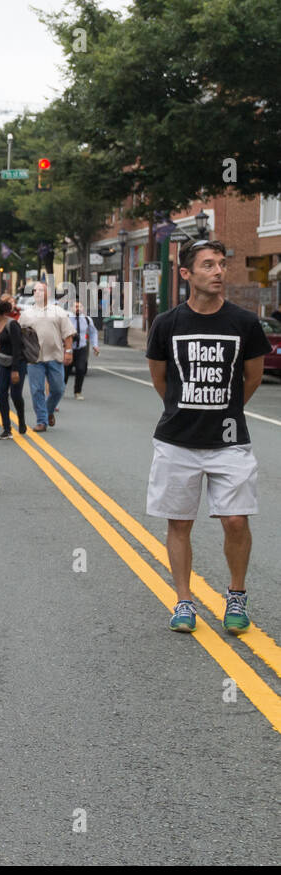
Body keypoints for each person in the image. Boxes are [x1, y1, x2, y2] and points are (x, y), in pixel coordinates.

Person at [145, 239, 268, 634]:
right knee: (180, 523)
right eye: (208, 265)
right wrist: (187, 411)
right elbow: (161, 380)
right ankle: (183, 601)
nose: (218, 272)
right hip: (176, 441)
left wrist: (225, 410)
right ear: (186, 274)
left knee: (234, 520)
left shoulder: (244, 323)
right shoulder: (166, 324)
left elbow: (252, 378)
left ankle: (236, 595)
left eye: (221, 265)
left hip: (230, 441)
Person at [18, 281, 76, 431]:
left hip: (55, 356)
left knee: (58, 389)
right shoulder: (26, 314)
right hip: (34, 358)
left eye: (41, 291)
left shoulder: (58, 312)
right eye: (35, 291)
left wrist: (68, 351)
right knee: (36, 390)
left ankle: (48, 411)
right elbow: (19, 336)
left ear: (48, 294)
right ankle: (42, 421)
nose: (37, 293)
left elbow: (68, 333)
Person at [0, 299, 26, 439]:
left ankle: (21, 420)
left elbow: (18, 348)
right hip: (1, 363)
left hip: (16, 363)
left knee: (16, 395)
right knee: (1, 394)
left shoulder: (12, 324)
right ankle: (7, 428)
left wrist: (15, 370)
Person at [65, 300, 100, 399]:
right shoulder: (66, 319)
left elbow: (93, 332)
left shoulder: (87, 319)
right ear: (71, 308)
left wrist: (95, 345)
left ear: (83, 308)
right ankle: (60, 389)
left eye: (80, 307)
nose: (78, 308)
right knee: (66, 371)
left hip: (81, 348)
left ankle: (78, 392)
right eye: (75, 306)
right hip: (69, 348)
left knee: (81, 369)